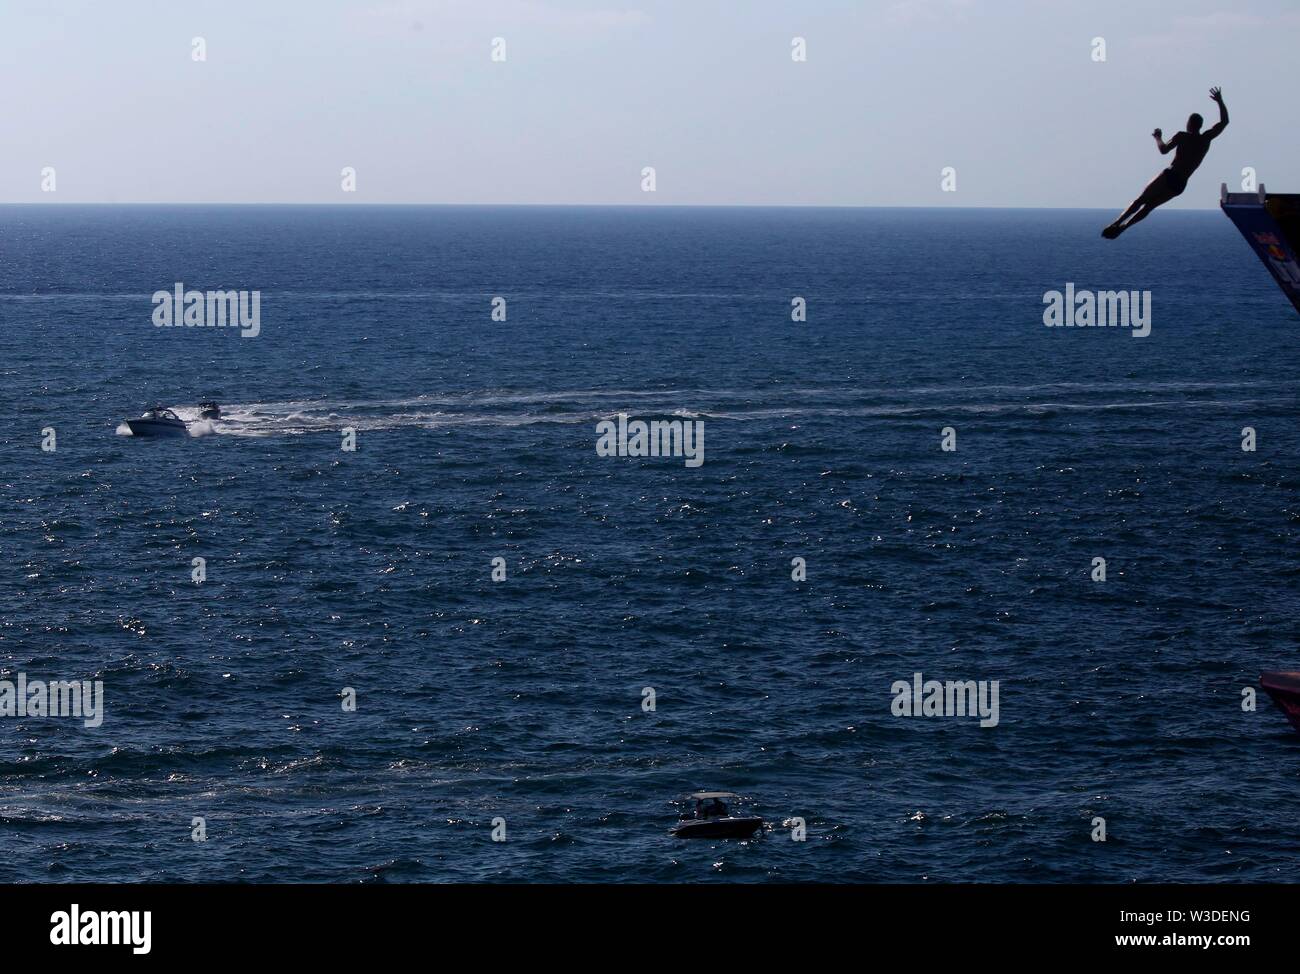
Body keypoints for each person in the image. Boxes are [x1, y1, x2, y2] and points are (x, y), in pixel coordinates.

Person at [1102, 88, 1228, 239]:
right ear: (1200, 125)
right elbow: (1224, 122)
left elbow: (1163, 150)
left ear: (1189, 123)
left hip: (1170, 175)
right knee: (1149, 207)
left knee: (1141, 200)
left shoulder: (1182, 136)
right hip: (1180, 184)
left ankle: (1116, 222)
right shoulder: (1206, 139)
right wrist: (1220, 101)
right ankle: (1125, 227)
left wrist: (1158, 137)